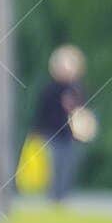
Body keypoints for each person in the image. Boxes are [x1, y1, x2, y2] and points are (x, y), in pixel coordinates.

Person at [30, 45, 89, 203]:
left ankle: (63, 196)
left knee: (67, 165)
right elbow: (41, 111)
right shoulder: (49, 89)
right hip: (51, 133)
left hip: (69, 135)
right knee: (53, 165)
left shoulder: (76, 89)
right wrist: (37, 131)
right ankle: (53, 196)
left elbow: (82, 111)